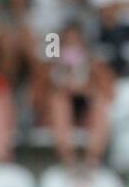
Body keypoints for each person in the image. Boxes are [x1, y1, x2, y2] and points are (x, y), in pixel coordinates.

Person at [32, 21, 114, 170]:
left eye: (76, 42)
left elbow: (110, 95)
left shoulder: (94, 66)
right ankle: (68, 160)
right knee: (59, 101)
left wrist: (88, 87)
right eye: (68, 43)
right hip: (55, 116)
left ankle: (92, 160)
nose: (72, 47)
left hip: (84, 116)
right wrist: (59, 85)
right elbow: (36, 101)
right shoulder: (48, 68)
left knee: (100, 104)